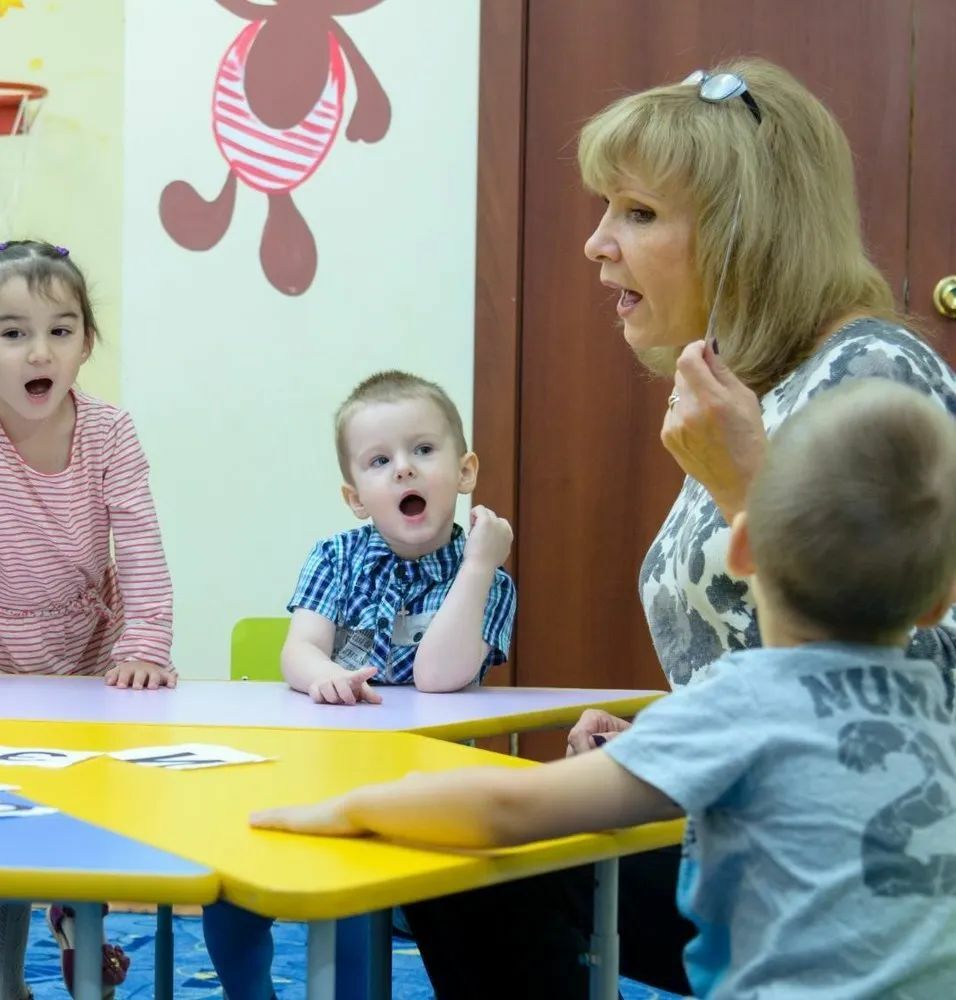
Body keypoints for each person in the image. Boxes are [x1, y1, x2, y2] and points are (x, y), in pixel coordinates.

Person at [405, 57, 956, 997]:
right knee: (469, 864)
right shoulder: (753, 383)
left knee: (474, 865)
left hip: (865, 881)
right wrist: (671, 730)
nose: (596, 243)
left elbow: (917, 672)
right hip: (753, 842)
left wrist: (749, 488)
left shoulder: (871, 379)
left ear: (748, 236)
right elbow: (783, 661)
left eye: (638, 213)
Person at [254, 379, 956, 999]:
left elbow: (505, 807)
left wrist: (349, 809)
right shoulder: (937, 707)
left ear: (741, 552)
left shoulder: (743, 698)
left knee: (469, 876)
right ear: (938, 602)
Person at [0, 239, 174, 998]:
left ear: (86, 342)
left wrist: (145, 642)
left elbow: (141, 541)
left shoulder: (110, 431)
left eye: (60, 329)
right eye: (13, 331)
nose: (38, 349)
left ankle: (78, 918)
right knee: (3, 826)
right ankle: (4, 981)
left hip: (83, 643)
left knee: (79, 803)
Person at [205, 370, 515, 999]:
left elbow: (435, 675)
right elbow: (300, 648)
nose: (404, 469)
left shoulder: (489, 580)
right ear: (355, 496)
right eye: (380, 461)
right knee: (225, 896)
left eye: (424, 451)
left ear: (465, 470)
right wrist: (322, 677)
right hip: (324, 777)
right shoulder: (337, 557)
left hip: (427, 806)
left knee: (352, 910)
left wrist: (481, 564)